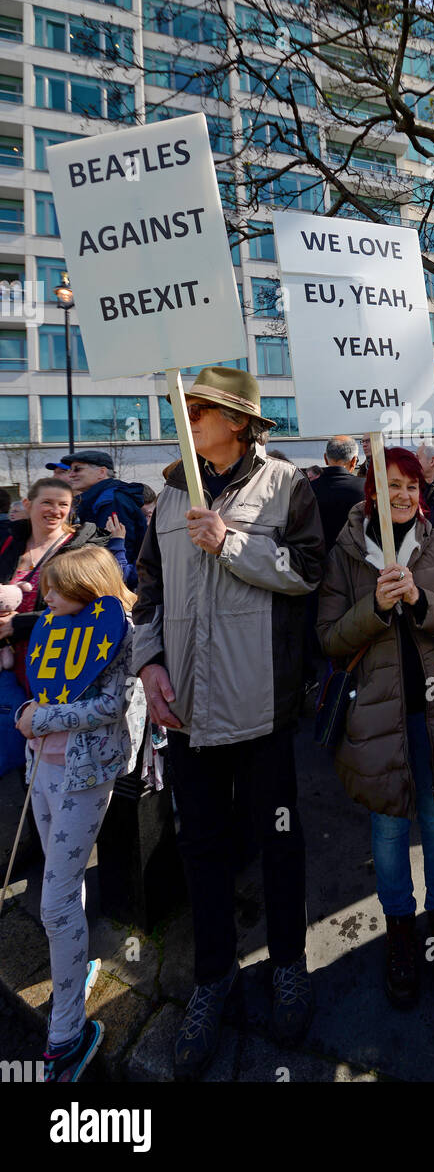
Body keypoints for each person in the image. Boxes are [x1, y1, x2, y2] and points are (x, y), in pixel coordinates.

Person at [132, 367, 325, 1079]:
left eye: (199, 407)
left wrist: (231, 543)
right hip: (185, 711)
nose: (185, 415)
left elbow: (309, 572)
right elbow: (146, 589)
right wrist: (148, 665)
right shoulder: (168, 491)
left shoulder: (287, 484)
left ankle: (287, 963)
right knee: (201, 846)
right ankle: (212, 978)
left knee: (278, 845)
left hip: (261, 706)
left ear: (238, 422)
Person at [316, 447, 434, 1008]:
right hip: (377, 720)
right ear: (371, 494)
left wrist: (419, 598)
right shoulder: (346, 551)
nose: (403, 495)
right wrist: (375, 609)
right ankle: (400, 933)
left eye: (410, 484)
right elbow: (330, 638)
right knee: (387, 833)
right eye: (390, 485)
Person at [14, 546, 147, 1083]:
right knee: (61, 883)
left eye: (55, 588)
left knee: (57, 900)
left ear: (90, 588)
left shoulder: (123, 632)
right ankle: (77, 967)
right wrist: (34, 717)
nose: (44, 597)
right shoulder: (55, 625)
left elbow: (116, 704)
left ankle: (66, 1033)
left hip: (84, 775)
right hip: (42, 769)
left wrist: (41, 717)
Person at [0, 477, 130, 690]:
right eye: (47, 502)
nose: (55, 510)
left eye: (63, 504)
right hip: (8, 670)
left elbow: (94, 609)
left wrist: (19, 624)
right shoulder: (8, 542)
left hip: (58, 668)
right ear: (27, 504)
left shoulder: (83, 549)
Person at [62, 450, 148, 570]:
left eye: (77, 469)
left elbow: (119, 549)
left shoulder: (111, 501)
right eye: (69, 470)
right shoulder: (101, 498)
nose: (71, 475)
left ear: (102, 472)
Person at [313, 437, 365, 551]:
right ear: (354, 461)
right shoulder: (366, 488)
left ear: (325, 458)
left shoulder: (309, 489)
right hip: (355, 560)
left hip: (317, 560)